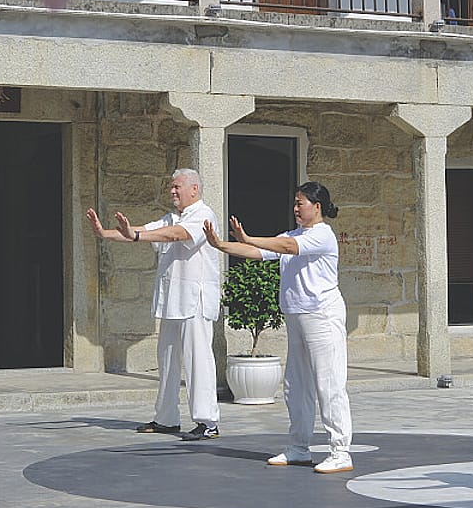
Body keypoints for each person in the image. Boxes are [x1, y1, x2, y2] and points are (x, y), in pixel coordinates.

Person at [203, 181, 354, 474]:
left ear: (317, 207)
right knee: (296, 386)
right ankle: (299, 447)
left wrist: (248, 236)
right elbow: (260, 252)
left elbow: (285, 247)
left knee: (329, 383)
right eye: (295, 203)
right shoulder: (293, 235)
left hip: (322, 315)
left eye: (301, 203)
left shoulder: (322, 235)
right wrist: (220, 245)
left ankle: (341, 451)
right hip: (297, 316)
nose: (296, 208)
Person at [86, 169, 222, 441]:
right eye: (171, 187)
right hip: (173, 301)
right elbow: (139, 231)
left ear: (194, 189)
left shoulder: (203, 215)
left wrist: (135, 235)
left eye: (177, 187)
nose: (172, 191)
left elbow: (174, 235)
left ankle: (208, 422)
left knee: (198, 362)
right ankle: (167, 419)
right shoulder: (171, 217)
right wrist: (106, 233)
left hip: (195, 301)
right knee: (167, 360)